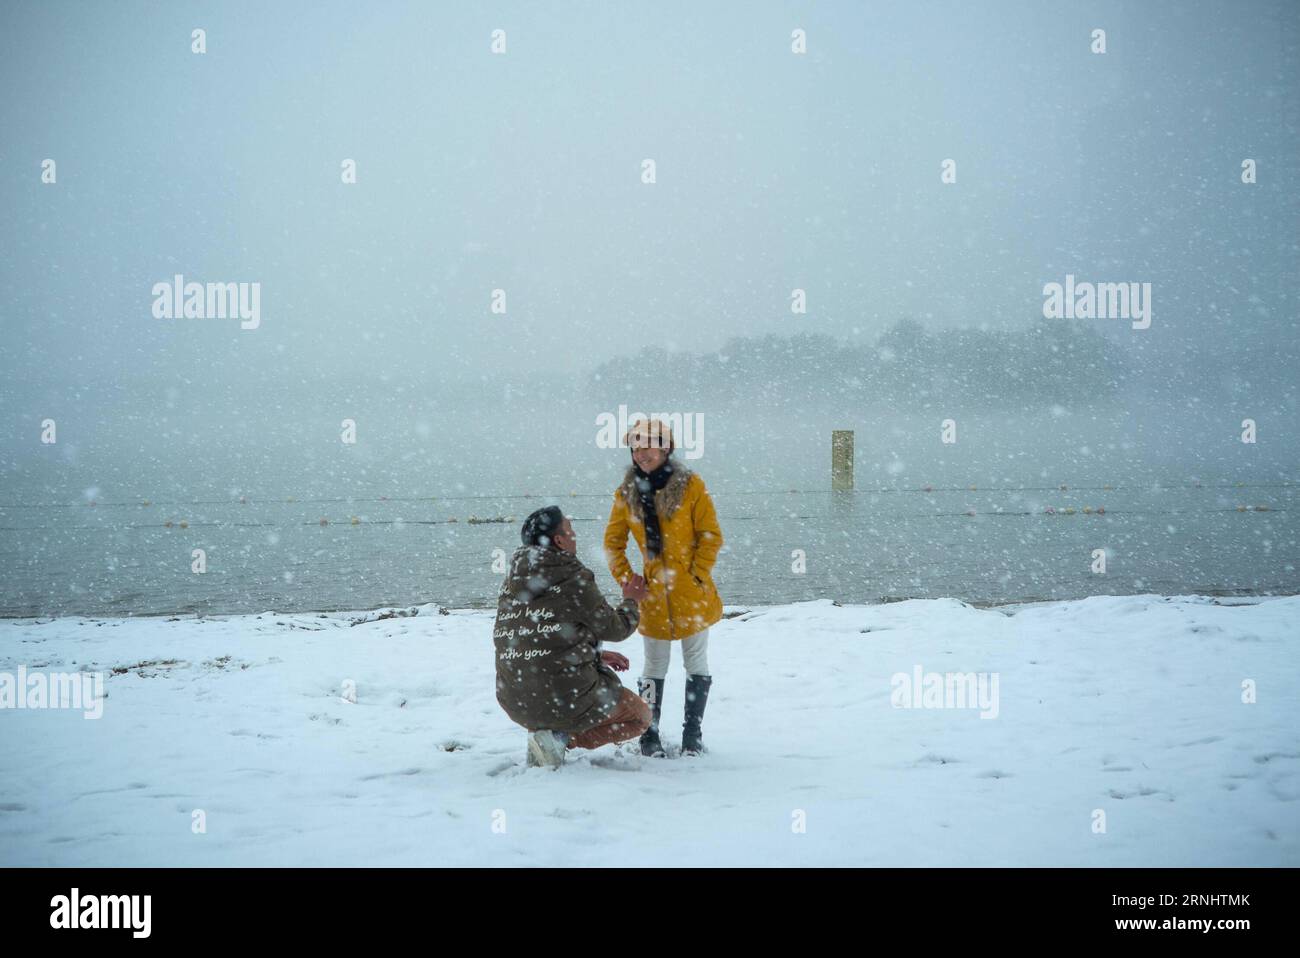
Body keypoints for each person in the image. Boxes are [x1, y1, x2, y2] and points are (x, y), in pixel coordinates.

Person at [494, 505, 651, 768]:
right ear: (559, 540)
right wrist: (631, 600)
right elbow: (616, 628)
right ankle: (561, 738)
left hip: (516, 698)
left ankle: (548, 734)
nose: (575, 535)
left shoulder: (512, 581)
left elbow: (536, 635)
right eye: (570, 530)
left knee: (553, 695)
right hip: (562, 698)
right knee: (640, 718)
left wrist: (595, 655)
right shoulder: (571, 578)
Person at [603, 418, 723, 756]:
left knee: (696, 662)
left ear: (666, 447)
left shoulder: (691, 486)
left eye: (648, 446)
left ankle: (692, 735)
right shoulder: (627, 494)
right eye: (636, 447)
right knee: (654, 666)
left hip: (692, 594)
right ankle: (649, 733)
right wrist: (628, 581)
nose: (641, 453)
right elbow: (613, 543)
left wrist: (697, 574)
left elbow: (710, 536)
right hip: (652, 596)